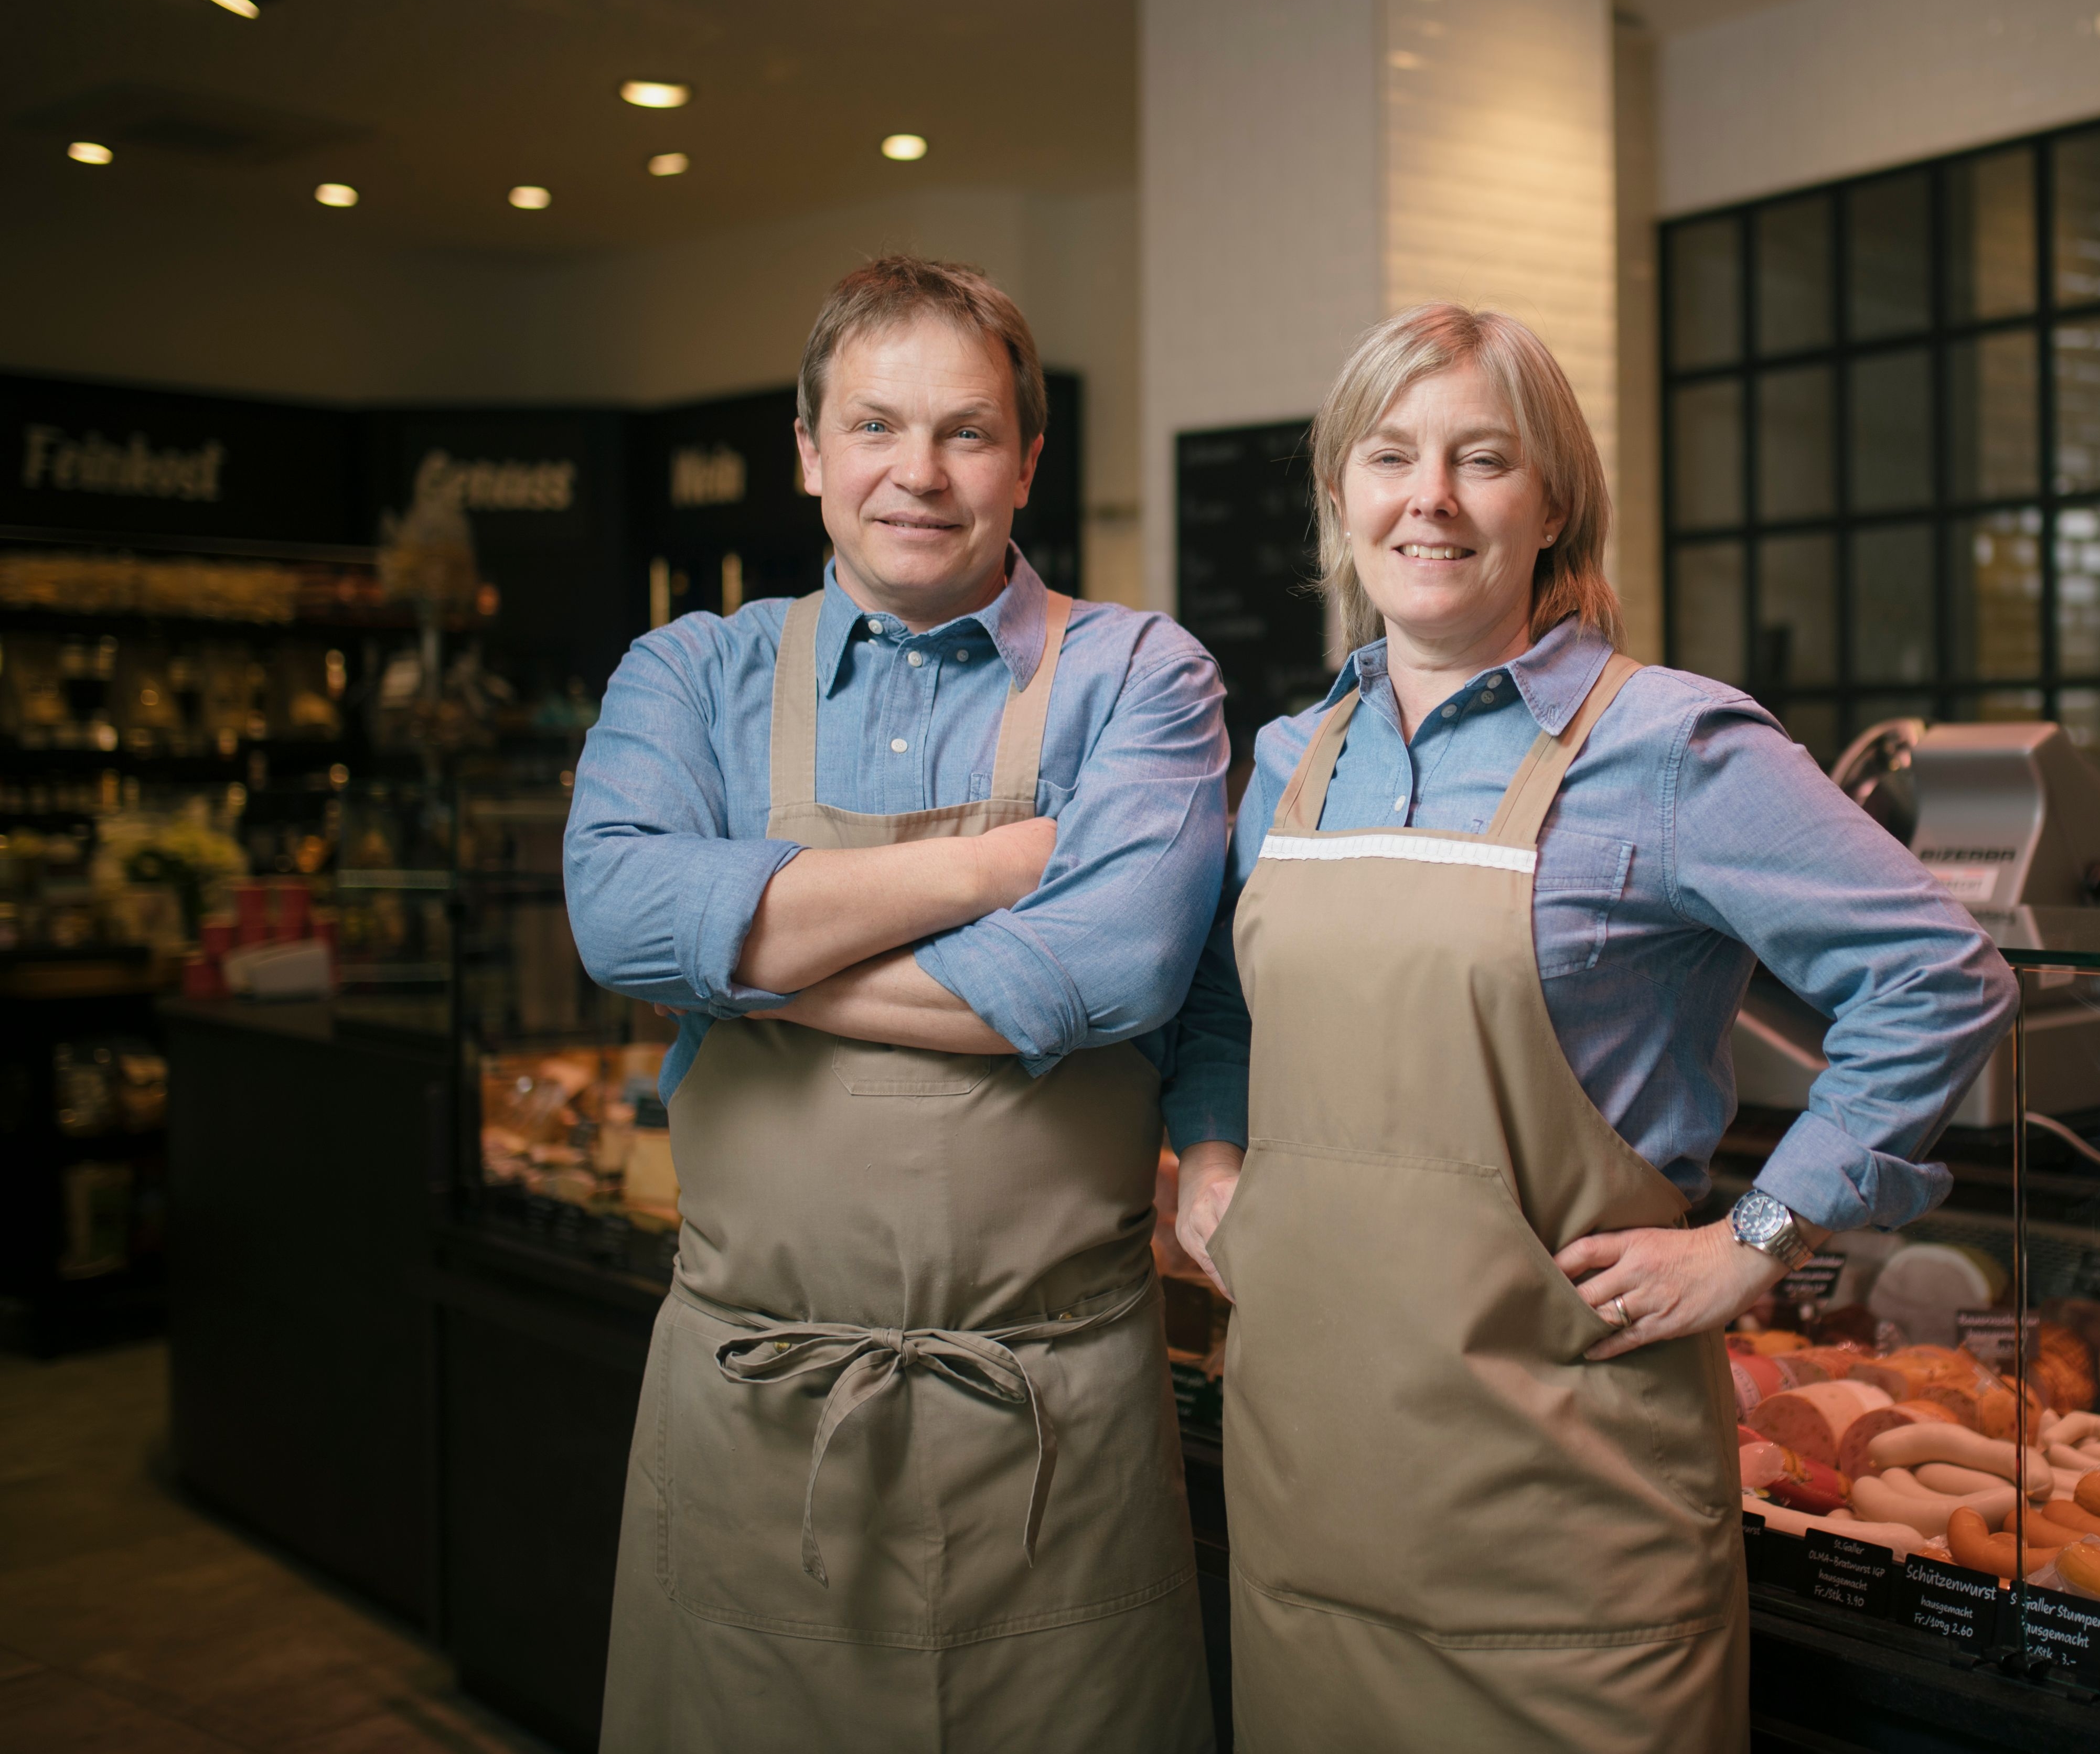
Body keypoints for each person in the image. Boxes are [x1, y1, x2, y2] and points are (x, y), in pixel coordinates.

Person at [1165, 304, 2019, 1750]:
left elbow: (1942, 974)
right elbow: (1222, 1003)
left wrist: (1758, 1236)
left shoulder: (1675, 748)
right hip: (1312, 1507)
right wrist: (1208, 1166)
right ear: (1341, 495)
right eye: (1390, 457)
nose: (1428, 499)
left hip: (1569, 1536)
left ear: (1551, 500)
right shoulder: (1295, 758)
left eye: (1481, 460)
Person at [566, 255, 1224, 1752]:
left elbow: (1115, 967)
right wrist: (991, 871)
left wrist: (747, 956)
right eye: (874, 427)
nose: (917, 475)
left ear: (1028, 459)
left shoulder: (1139, 676)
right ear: (808, 452)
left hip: (1053, 1421)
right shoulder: (692, 672)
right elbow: (617, 913)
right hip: (753, 1411)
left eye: (966, 433)